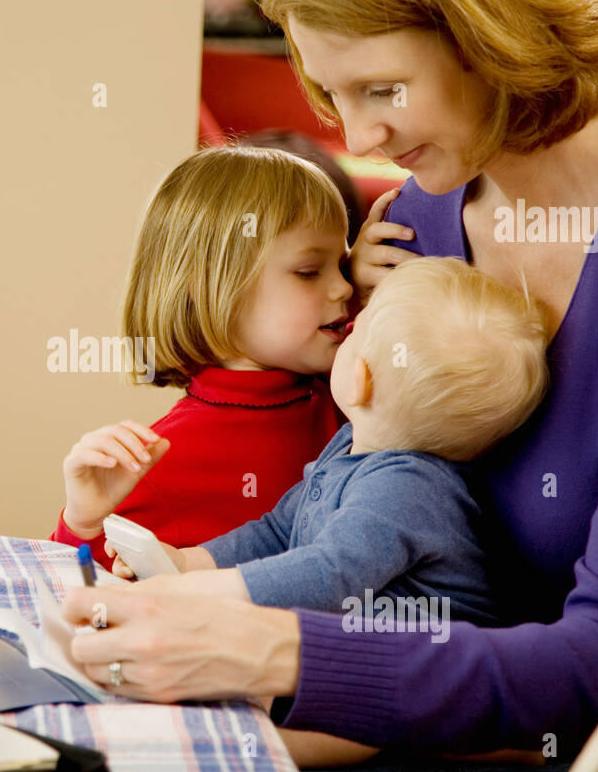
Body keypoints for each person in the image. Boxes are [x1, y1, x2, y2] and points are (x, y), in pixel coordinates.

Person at [62, 0, 598, 771]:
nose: (357, 140)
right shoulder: (418, 219)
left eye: (382, 88)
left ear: (488, 29)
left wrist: (268, 646)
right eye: (330, 95)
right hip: (389, 727)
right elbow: (341, 454)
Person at [130, 256, 548, 632]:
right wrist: (190, 562)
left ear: (359, 380)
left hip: (429, 683)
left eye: (352, 334)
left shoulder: (404, 489)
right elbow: (278, 530)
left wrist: (205, 591)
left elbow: (328, 575)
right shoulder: (349, 446)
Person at [50, 145, 351, 570]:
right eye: (309, 272)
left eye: (345, 265)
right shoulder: (161, 461)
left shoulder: (351, 387)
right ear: (207, 285)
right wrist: (82, 523)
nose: (343, 288)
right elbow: (75, 592)